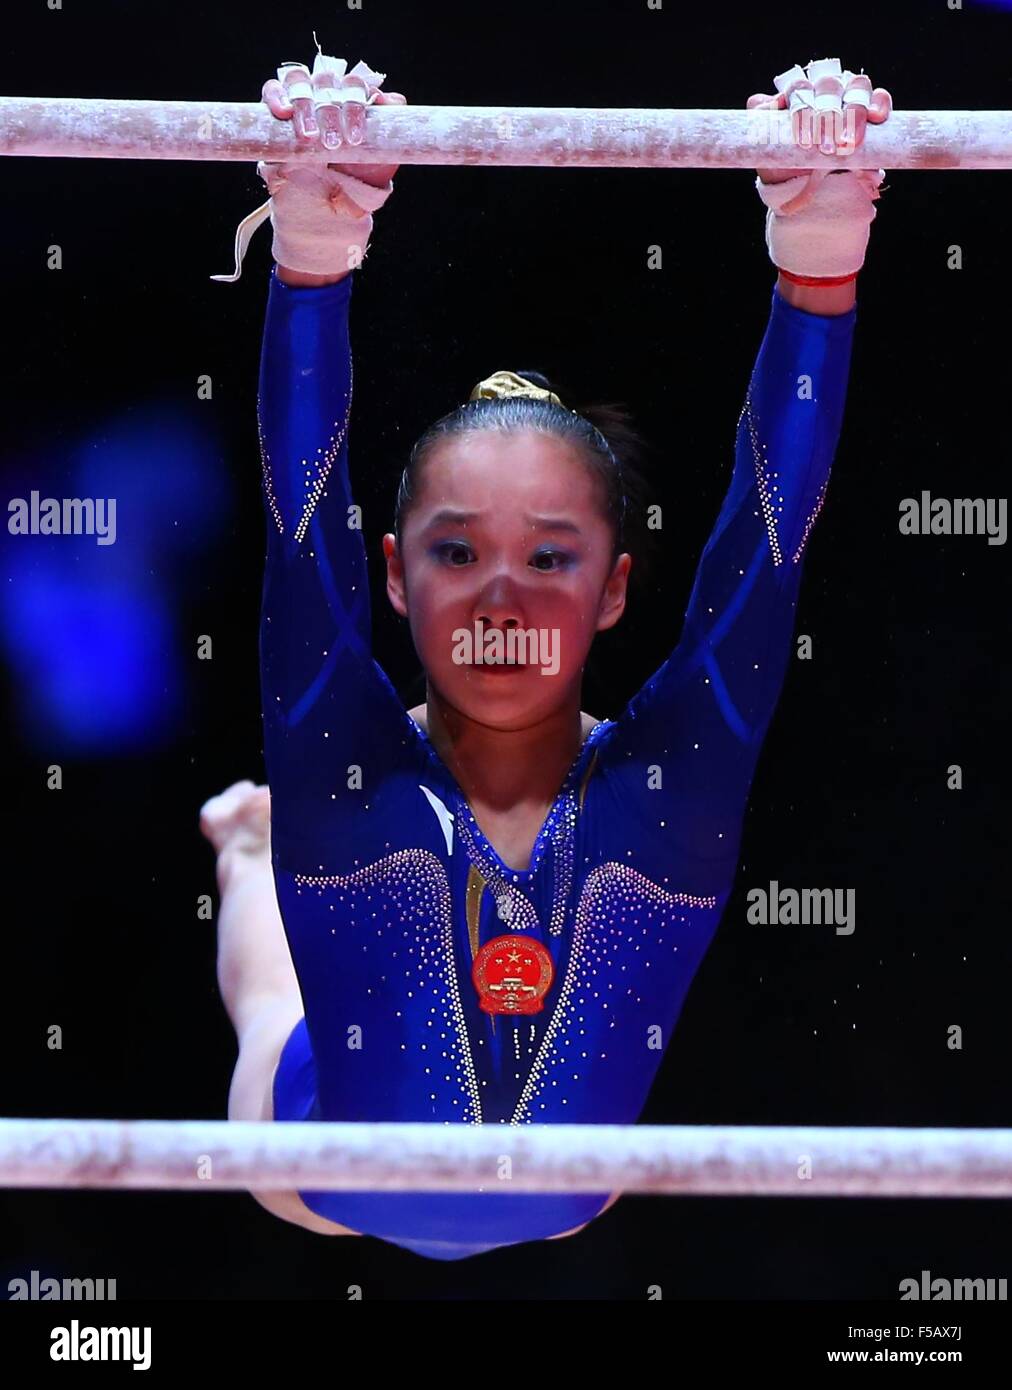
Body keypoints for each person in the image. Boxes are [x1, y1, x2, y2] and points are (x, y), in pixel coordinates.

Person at [200, 52, 892, 1260]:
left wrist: (819, 254)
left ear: (617, 586)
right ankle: (249, 853)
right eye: (458, 553)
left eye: (551, 558)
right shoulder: (348, 763)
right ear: (395, 577)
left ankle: (256, 846)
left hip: (566, 1189)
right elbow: (297, 526)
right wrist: (310, 250)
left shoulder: (668, 787)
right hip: (308, 1159)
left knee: (283, 985)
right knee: (271, 1011)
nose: (501, 596)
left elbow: (764, 552)